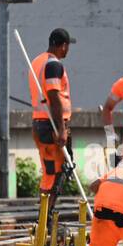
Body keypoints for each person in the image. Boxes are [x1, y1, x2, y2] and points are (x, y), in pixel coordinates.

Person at [29, 28, 75, 216]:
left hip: (42, 124)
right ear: (63, 45)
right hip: (51, 126)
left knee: (52, 171)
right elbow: (54, 96)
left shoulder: (38, 61)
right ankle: (45, 218)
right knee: (54, 172)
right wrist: (62, 129)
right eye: (67, 46)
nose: (67, 50)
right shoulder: (53, 65)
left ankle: (45, 216)